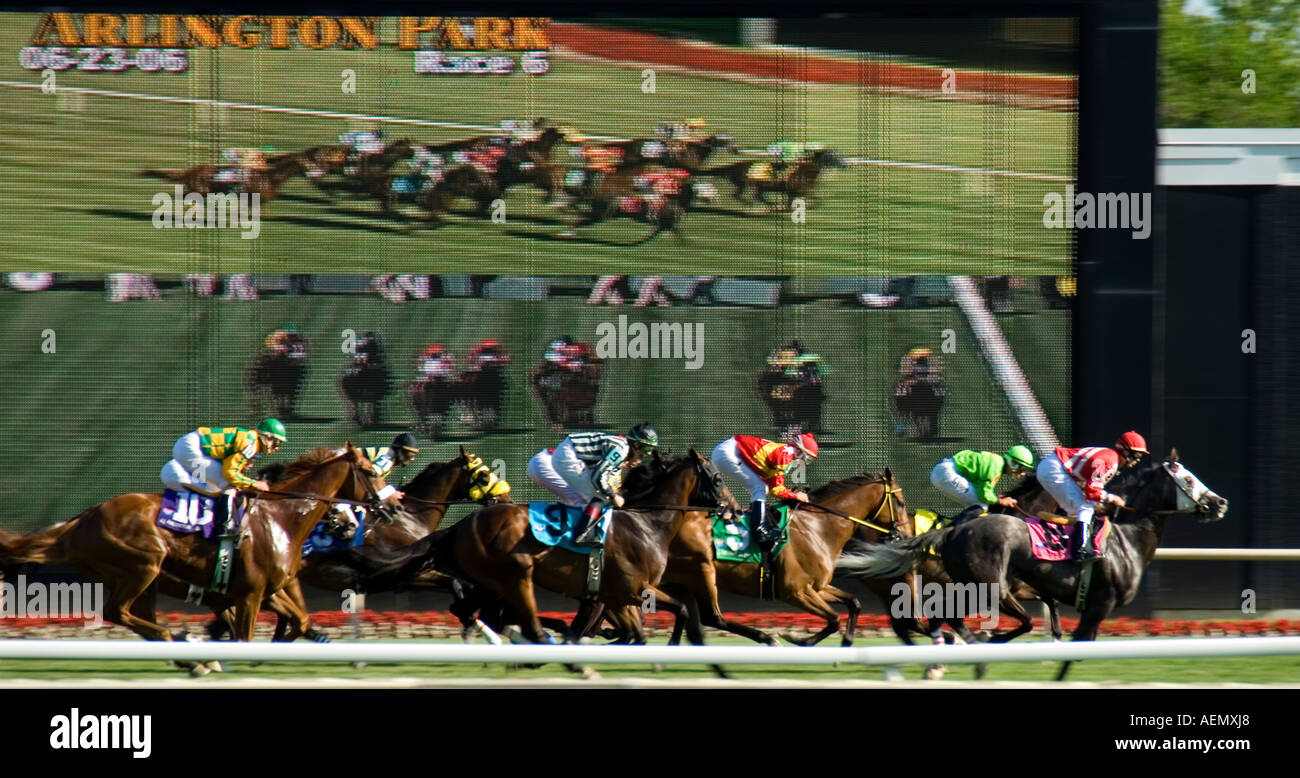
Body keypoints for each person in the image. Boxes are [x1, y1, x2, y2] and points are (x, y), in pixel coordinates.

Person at [527, 424, 659, 545]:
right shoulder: (622, 449)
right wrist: (613, 496)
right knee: (598, 496)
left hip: (553, 458)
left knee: (582, 499)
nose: (647, 453)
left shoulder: (620, 449)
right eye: (646, 448)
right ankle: (583, 534)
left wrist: (613, 494)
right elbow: (598, 478)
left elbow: (607, 480)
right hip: (557, 459)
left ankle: (567, 532)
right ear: (635, 444)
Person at [160, 418, 287, 537]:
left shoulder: (251, 440)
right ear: (266, 438)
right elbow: (230, 473)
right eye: (276, 442)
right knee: (227, 483)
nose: (277, 448)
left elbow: (226, 461)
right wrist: (254, 484)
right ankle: (224, 527)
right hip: (191, 447)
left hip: (189, 445)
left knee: (218, 486)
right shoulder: (251, 444)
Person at [1037, 431, 1149, 560]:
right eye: (1136, 454)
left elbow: (1089, 491)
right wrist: (1112, 498)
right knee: (1085, 507)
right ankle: (1080, 549)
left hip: (1053, 467)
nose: (1138, 459)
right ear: (1124, 451)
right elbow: (1092, 491)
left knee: (1081, 508)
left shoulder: (1110, 458)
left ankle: (1067, 543)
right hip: (1054, 468)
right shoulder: (1110, 461)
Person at [711, 432, 817, 552]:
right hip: (728, 453)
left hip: (729, 451)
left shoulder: (785, 452)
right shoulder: (785, 456)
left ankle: (755, 517)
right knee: (759, 487)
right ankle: (760, 529)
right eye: (807, 457)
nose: (805, 462)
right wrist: (796, 495)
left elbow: (772, 488)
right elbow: (776, 490)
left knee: (762, 488)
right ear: (799, 450)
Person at [930, 446, 1034, 524]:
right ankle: (952, 533)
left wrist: (996, 498)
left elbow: (983, 490)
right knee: (981, 504)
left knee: (980, 503)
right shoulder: (996, 465)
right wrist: (1002, 501)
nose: (1023, 473)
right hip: (946, 473)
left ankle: (955, 526)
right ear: (1013, 463)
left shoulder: (997, 463)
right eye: (1022, 468)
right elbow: (984, 495)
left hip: (946, 471)